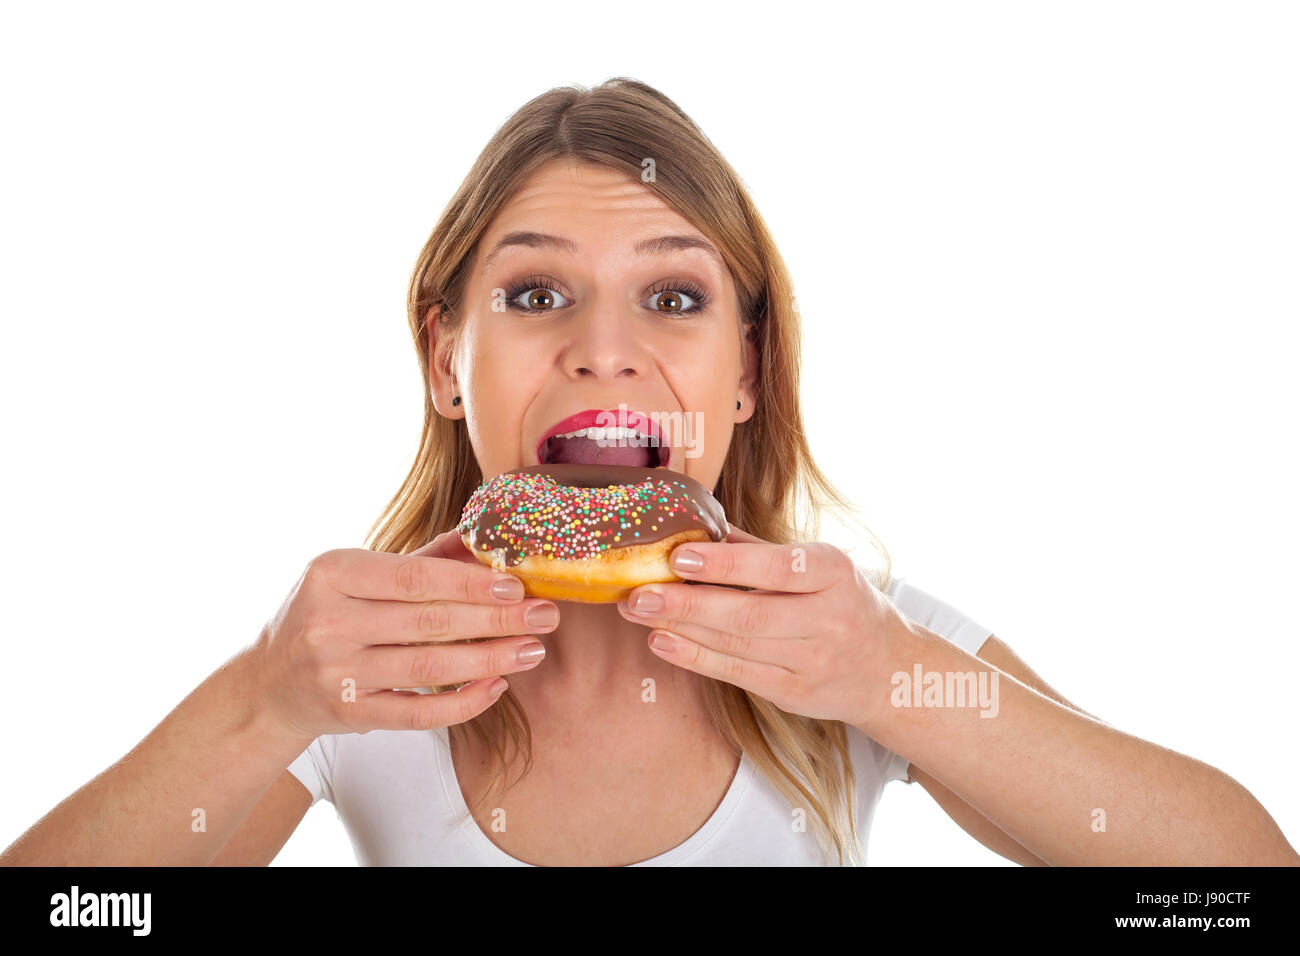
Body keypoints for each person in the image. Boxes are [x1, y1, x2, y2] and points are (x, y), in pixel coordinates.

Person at [3, 77, 1296, 867]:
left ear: (745, 374)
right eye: (537, 292)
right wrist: (262, 704)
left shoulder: (860, 643)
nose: (604, 353)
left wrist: (895, 682)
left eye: (674, 296)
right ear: (447, 358)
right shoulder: (352, 675)